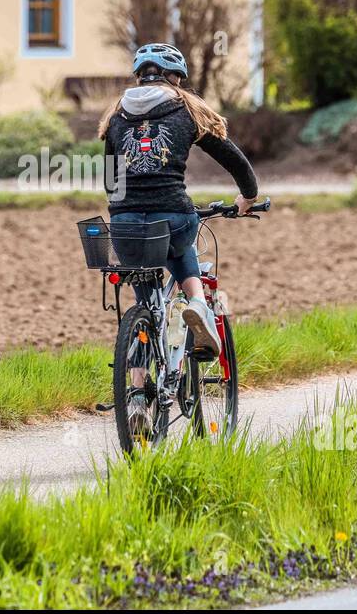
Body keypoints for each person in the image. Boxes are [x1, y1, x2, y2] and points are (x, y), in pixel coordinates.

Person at [99, 43, 258, 410]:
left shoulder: (116, 115)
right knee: (182, 244)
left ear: (141, 76)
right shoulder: (186, 109)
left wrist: (124, 208)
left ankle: (137, 400)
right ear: (175, 79)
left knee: (144, 305)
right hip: (174, 215)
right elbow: (233, 159)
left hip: (124, 225)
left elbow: (111, 182)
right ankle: (199, 306)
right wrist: (247, 197)